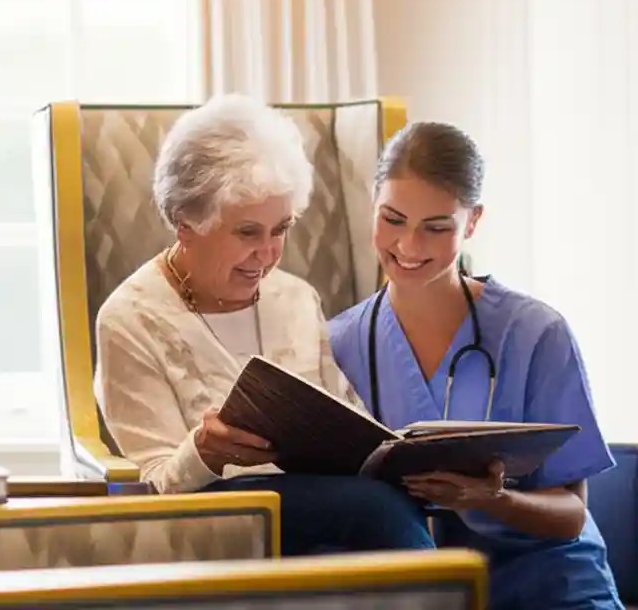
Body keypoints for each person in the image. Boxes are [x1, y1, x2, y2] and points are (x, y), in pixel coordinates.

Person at [94, 94, 434, 557]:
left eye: (281, 229)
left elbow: (346, 418)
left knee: (384, 510)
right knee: (375, 513)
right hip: (212, 522)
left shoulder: (295, 298)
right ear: (185, 223)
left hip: (326, 510)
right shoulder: (129, 319)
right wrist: (204, 451)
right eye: (247, 232)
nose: (269, 253)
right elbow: (150, 493)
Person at [328, 121, 622, 609]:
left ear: (473, 221)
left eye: (437, 227)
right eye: (393, 219)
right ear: (373, 205)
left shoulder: (533, 334)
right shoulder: (340, 343)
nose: (408, 246)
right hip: (424, 586)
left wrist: (492, 500)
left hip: (552, 582)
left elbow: (571, 514)